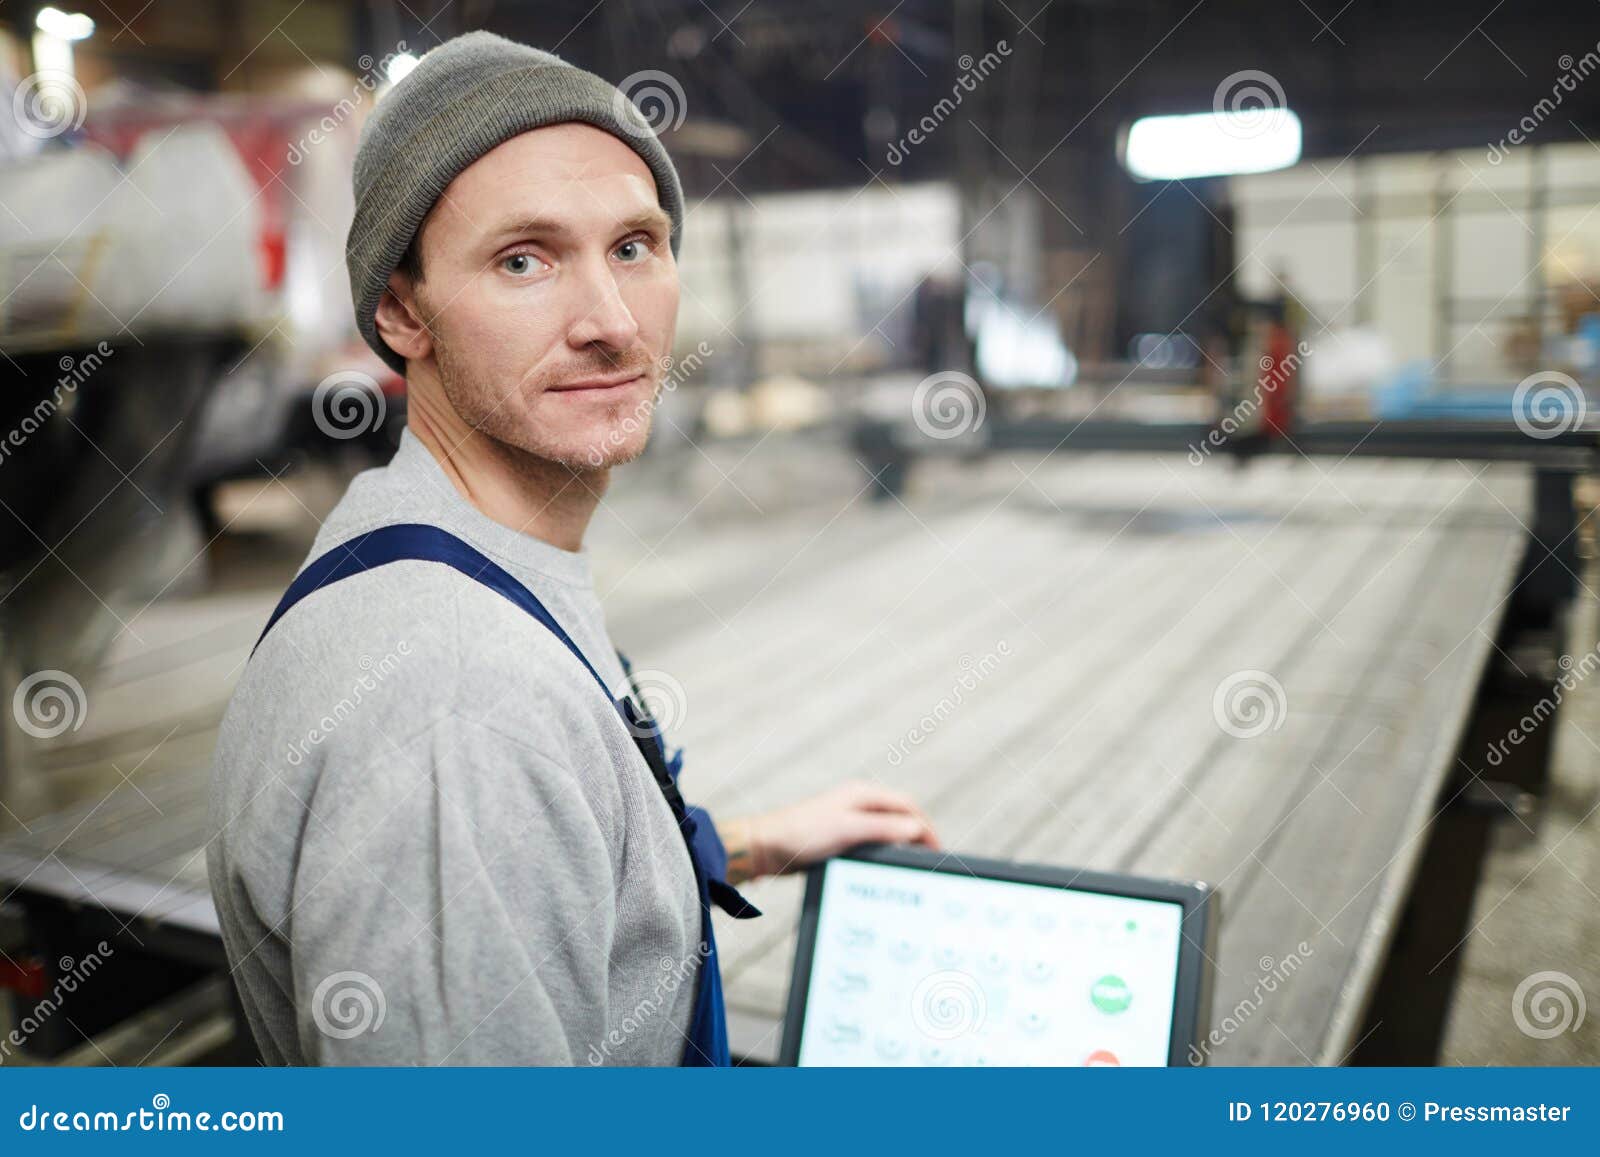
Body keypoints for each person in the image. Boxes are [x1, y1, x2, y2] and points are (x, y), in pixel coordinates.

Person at [205, 30, 939, 1067]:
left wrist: (737, 845)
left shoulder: (417, 552)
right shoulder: (456, 709)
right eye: (523, 259)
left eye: (634, 246)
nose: (610, 323)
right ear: (400, 310)